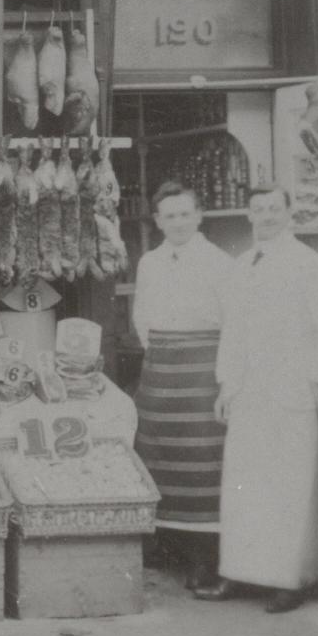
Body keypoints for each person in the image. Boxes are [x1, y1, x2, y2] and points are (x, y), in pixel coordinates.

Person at [202, 186, 318, 613]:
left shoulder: (308, 265)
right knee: (244, 487)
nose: (266, 216)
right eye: (259, 209)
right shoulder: (240, 267)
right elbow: (233, 332)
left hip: (292, 391)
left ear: (289, 213)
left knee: (289, 488)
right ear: (249, 215)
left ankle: (292, 580)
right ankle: (239, 573)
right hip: (250, 393)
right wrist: (226, 386)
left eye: (275, 208)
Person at [130, 182, 235, 594]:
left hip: (202, 368)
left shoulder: (220, 262)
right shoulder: (149, 262)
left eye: (183, 214)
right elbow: (142, 317)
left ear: (199, 216)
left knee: (203, 462)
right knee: (159, 454)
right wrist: (159, 352)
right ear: (157, 221)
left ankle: (204, 559)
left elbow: (233, 325)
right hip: (161, 364)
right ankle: (168, 546)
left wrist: (223, 378)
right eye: (168, 216)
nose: (176, 222)